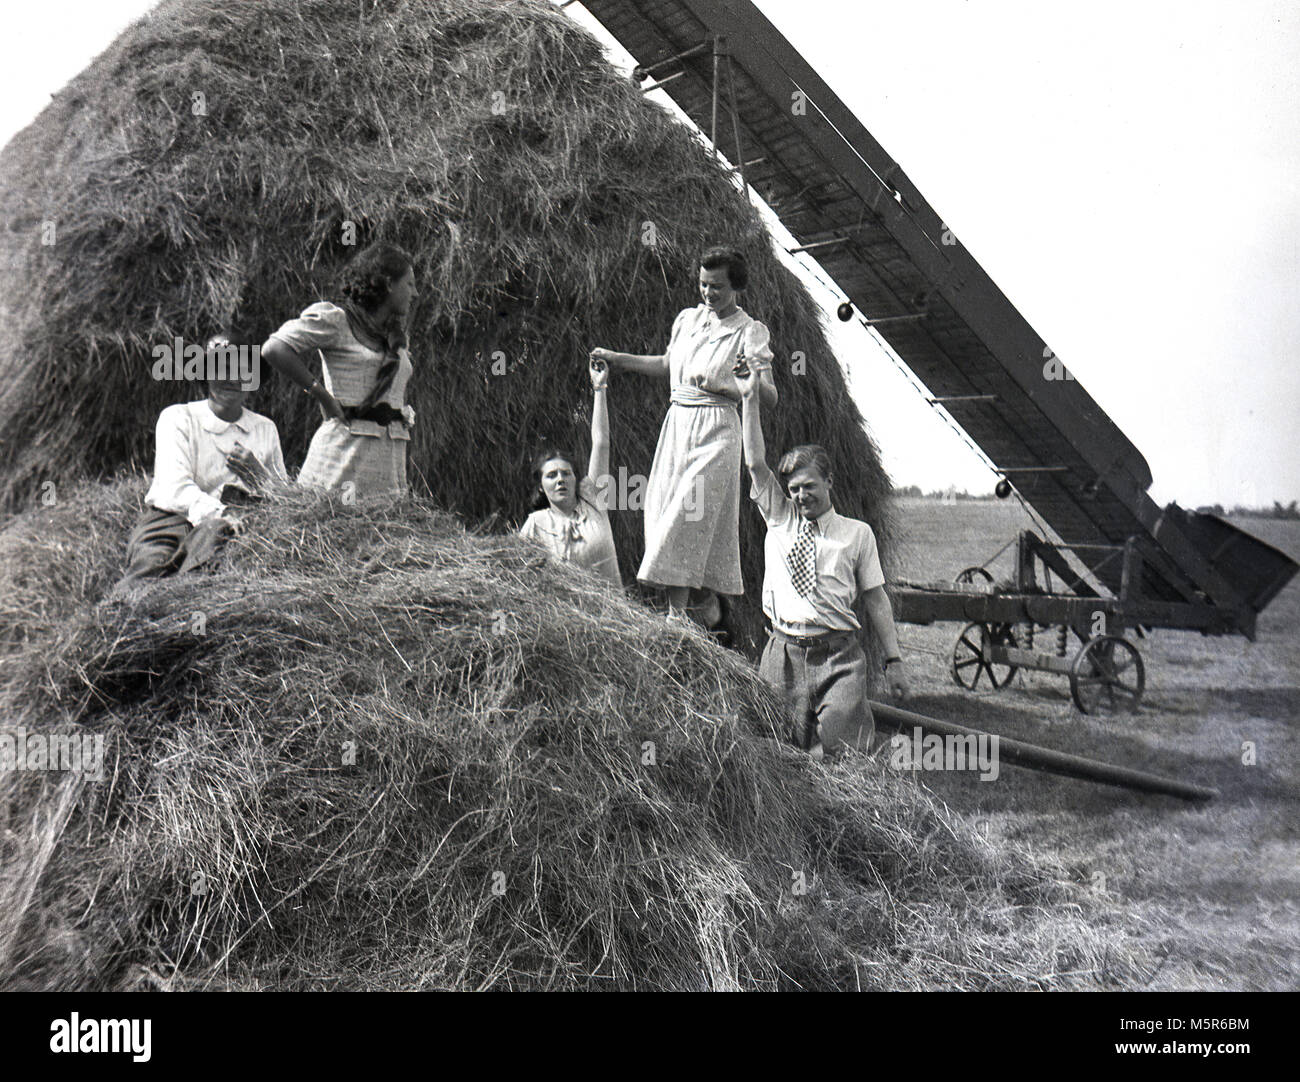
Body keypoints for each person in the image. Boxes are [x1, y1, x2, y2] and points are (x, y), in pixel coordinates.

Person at [589, 246, 777, 622]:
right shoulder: (687, 319)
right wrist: (617, 359)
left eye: (717, 286)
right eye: (703, 284)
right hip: (677, 424)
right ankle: (698, 609)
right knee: (662, 513)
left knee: (687, 516)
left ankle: (676, 618)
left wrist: (751, 380)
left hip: (718, 429)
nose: (708, 293)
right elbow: (665, 364)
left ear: (736, 286)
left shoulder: (750, 331)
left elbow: (771, 395)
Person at [735, 361, 909, 757]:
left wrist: (894, 660)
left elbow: (876, 599)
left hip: (838, 655)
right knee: (775, 750)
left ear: (829, 482)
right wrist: (749, 398)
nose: (801, 496)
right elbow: (755, 463)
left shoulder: (857, 534)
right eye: (794, 488)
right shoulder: (779, 519)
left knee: (843, 751)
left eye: (809, 486)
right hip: (782, 654)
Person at [115, 336, 289, 590]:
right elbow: (175, 488)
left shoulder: (264, 429)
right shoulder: (179, 418)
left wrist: (258, 476)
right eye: (221, 368)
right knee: (146, 576)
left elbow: (285, 500)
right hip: (172, 522)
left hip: (235, 530)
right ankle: (121, 608)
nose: (231, 378)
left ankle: (187, 598)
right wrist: (223, 513)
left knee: (205, 583)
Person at [261, 243, 417, 497]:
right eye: (409, 284)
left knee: (383, 521)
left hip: (387, 460)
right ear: (389, 284)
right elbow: (275, 348)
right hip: (343, 456)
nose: (415, 293)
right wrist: (320, 394)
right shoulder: (338, 322)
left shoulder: (395, 337)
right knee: (331, 517)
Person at [518, 357, 621, 586]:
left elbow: (601, 443)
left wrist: (599, 387)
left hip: (612, 608)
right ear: (541, 487)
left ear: (576, 479)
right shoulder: (536, 524)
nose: (560, 479)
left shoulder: (594, 503)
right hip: (565, 608)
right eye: (551, 475)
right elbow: (519, 575)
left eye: (566, 473)